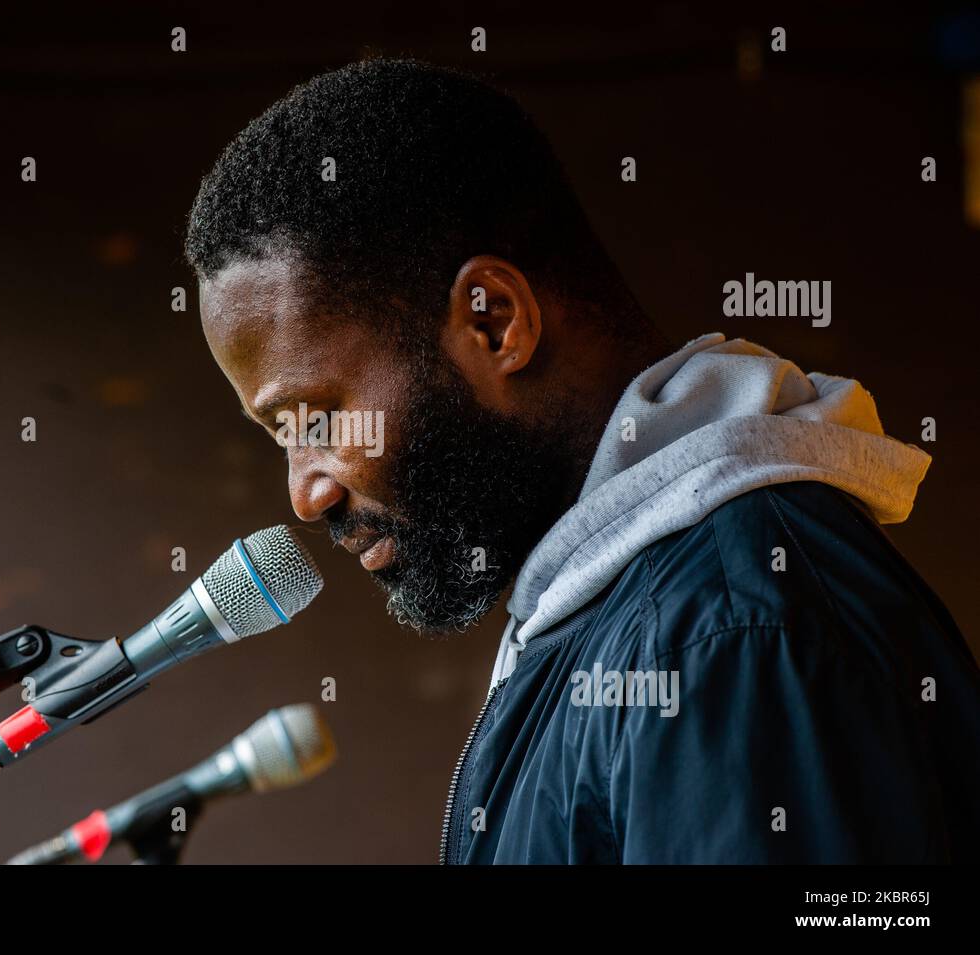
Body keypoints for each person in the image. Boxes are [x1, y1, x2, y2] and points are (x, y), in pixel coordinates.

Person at [184, 57, 980, 863]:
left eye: (315, 417)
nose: (304, 494)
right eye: (278, 435)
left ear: (494, 323)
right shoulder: (641, 613)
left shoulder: (727, 636)